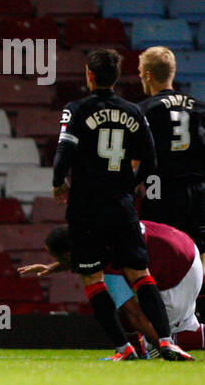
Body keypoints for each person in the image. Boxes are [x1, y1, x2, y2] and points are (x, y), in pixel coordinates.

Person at [52, 48, 192, 361]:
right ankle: (166, 340)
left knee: (93, 277)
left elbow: (63, 155)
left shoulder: (75, 109)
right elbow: (151, 160)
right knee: (139, 273)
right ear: (116, 77)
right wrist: (128, 185)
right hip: (121, 205)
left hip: (86, 207)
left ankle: (124, 347)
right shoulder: (134, 111)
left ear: (89, 75)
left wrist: (58, 182)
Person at [19, 222, 200, 359]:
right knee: (134, 307)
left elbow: (135, 314)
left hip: (178, 274)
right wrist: (55, 266)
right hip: (184, 248)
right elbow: (86, 256)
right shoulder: (96, 230)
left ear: (67, 254)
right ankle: (139, 349)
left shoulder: (110, 269)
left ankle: (149, 348)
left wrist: (160, 344)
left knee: (163, 340)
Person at [135, 46, 205, 256]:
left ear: (148, 75)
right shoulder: (199, 107)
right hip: (198, 187)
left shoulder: (144, 109)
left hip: (161, 187)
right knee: (200, 248)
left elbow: (135, 160)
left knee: (160, 245)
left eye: (140, 73)